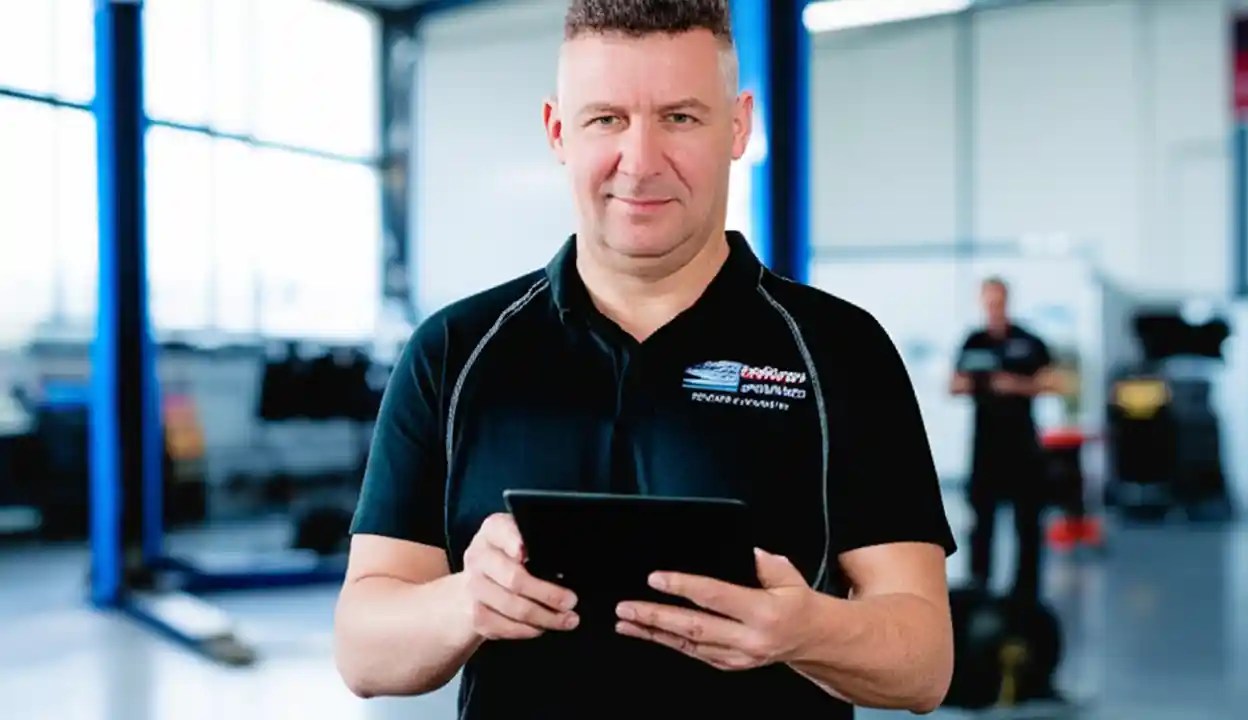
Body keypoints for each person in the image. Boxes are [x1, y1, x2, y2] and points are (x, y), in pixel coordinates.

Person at [334, 1, 957, 717]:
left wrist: (805, 630)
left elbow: (924, 663)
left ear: (739, 126)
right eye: (607, 118)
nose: (641, 160)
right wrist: (465, 602)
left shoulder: (840, 351)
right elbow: (362, 649)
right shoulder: (454, 352)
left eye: (680, 117)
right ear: (558, 131)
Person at [950, 277, 1059, 601]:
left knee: (1027, 522)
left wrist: (1015, 386)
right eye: (989, 301)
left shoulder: (1028, 341)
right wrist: (978, 385)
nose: (994, 307)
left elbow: (1054, 382)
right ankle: (979, 587)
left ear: (1007, 300)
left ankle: (1026, 593)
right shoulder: (974, 341)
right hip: (986, 445)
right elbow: (953, 385)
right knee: (981, 520)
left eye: (999, 301)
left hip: (1023, 445)